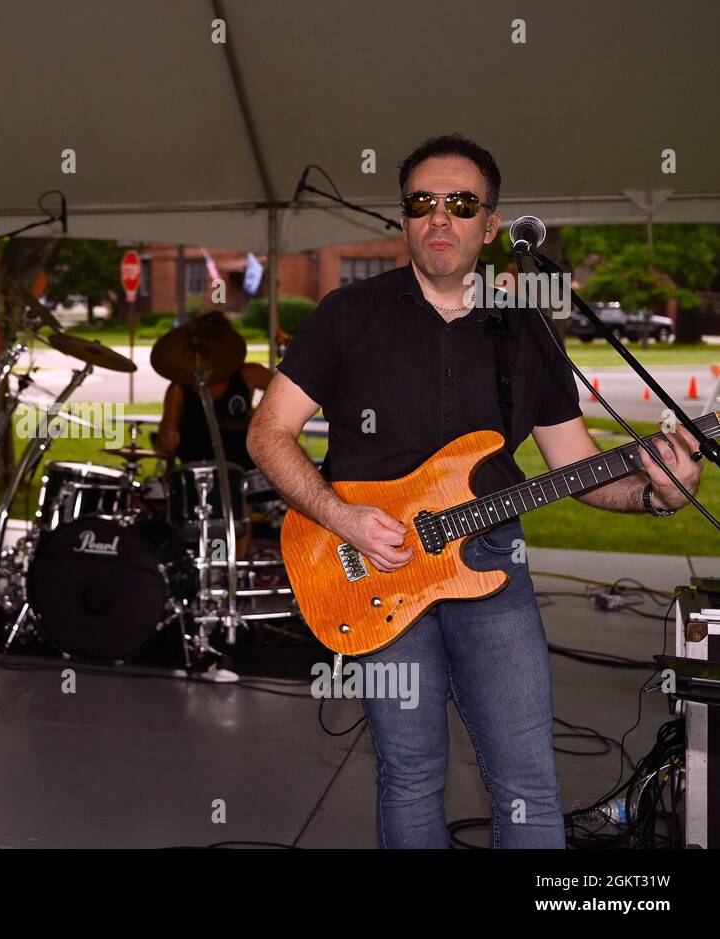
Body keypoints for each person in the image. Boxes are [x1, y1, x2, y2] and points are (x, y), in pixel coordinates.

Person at [247, 134, 704, 848]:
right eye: (421, 202)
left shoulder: (524, 328)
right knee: (411, 774)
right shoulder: (347, 314)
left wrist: (652, 494)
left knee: (528, 781)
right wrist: (344, 516)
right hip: (372, 563)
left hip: (493, 567)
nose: (439, 217)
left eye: (460, 203)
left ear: (490, 225)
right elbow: (267, 433)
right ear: (403, 219)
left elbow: (578, 466)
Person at [155, 312, 272, 468]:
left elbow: (287, 395)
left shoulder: (249, 374)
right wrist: (167, 442)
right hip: (196, 476)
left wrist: (262, 417)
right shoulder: (178, 389)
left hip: (244, 474)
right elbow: (163, 448)